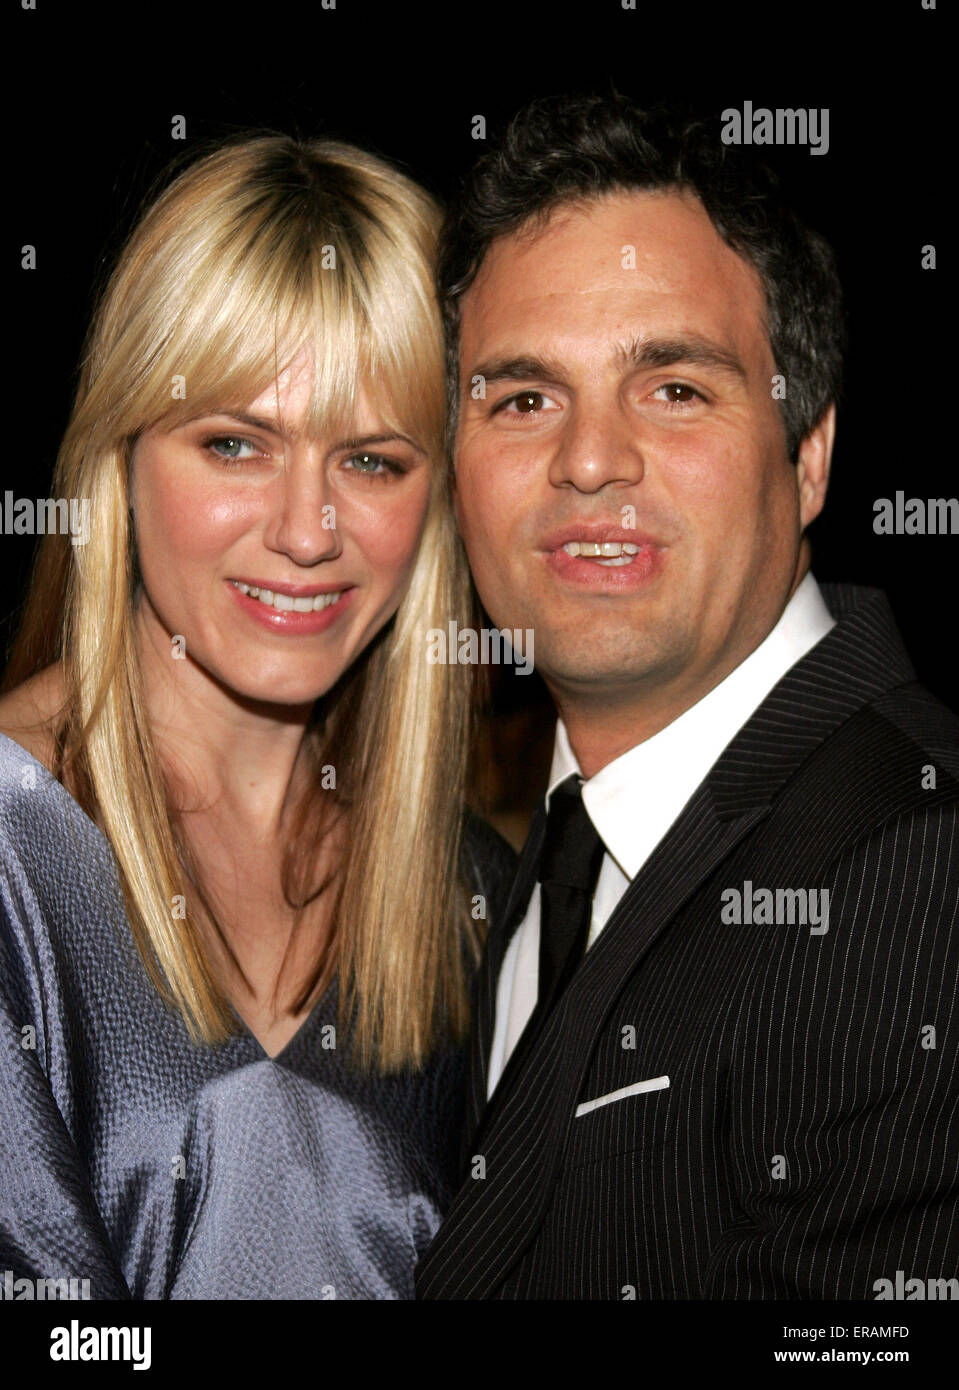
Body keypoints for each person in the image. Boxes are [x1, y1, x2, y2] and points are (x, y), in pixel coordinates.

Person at [415, 92, 959, 1300]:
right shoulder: (524, 871)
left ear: (806, 450)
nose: (590, 457)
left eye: (672, 387)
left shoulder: (917, 876)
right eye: (521, 398)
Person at [0, 134, 515, 1300]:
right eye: (235, 442)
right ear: (121, 453)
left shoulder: (477, 904)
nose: (303, 528)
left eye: (373, 462)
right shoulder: (13, 851)